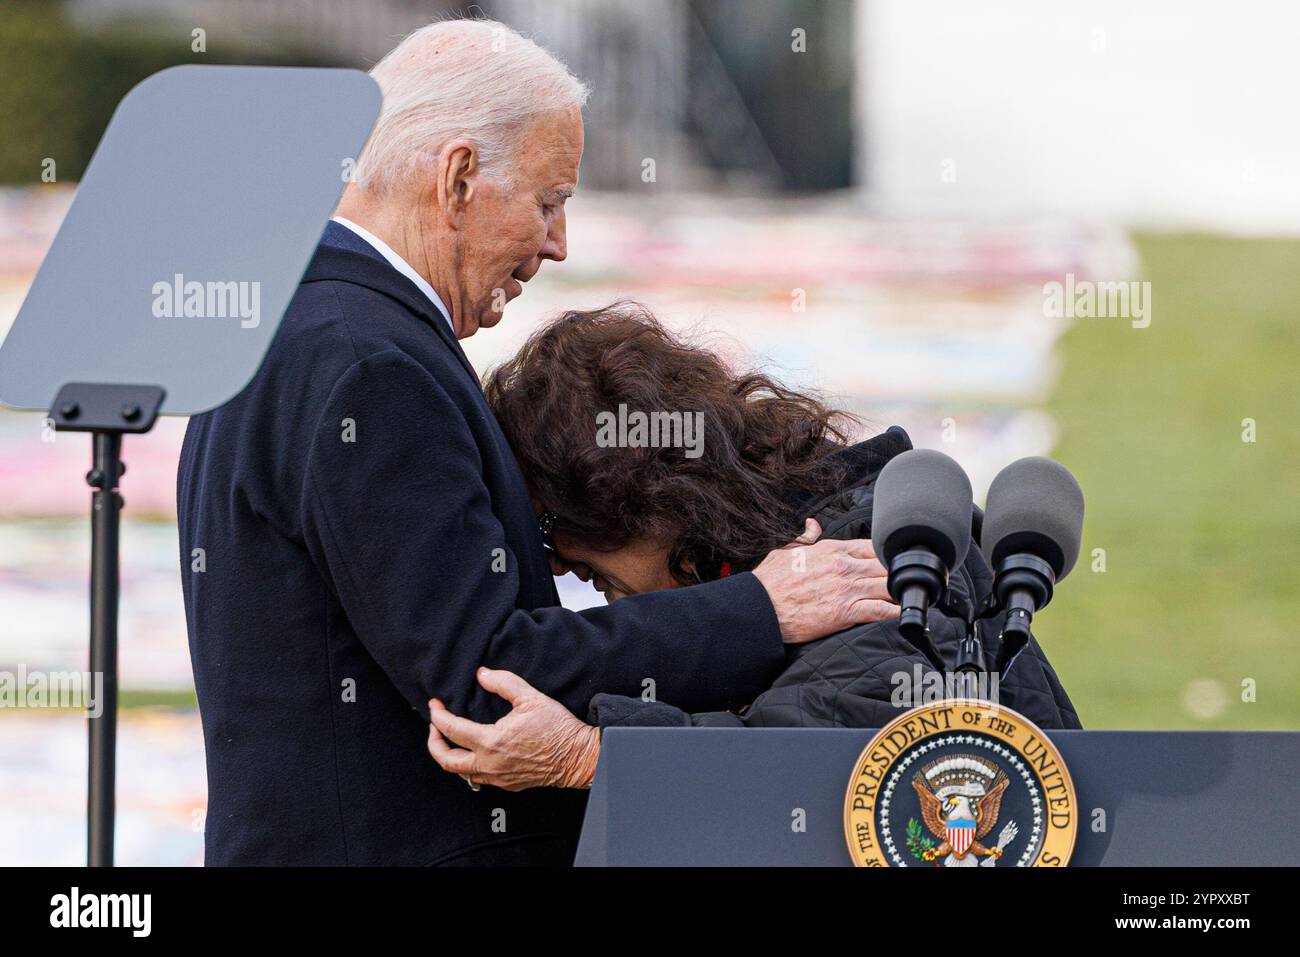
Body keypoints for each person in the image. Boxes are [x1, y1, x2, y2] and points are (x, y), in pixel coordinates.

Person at [177, 20, 896, 866]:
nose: (558, 243)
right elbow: (488, 678)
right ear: (458, 178)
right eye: (549, 202)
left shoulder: (301, 321)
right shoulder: (370, 363)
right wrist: (760, 609)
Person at [425, 305, 1081, 792]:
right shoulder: (792, 535)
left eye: (548, 526)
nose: (555, 562)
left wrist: (589, 757)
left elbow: (830, 776)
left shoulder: (865, 561)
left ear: (651, 507)